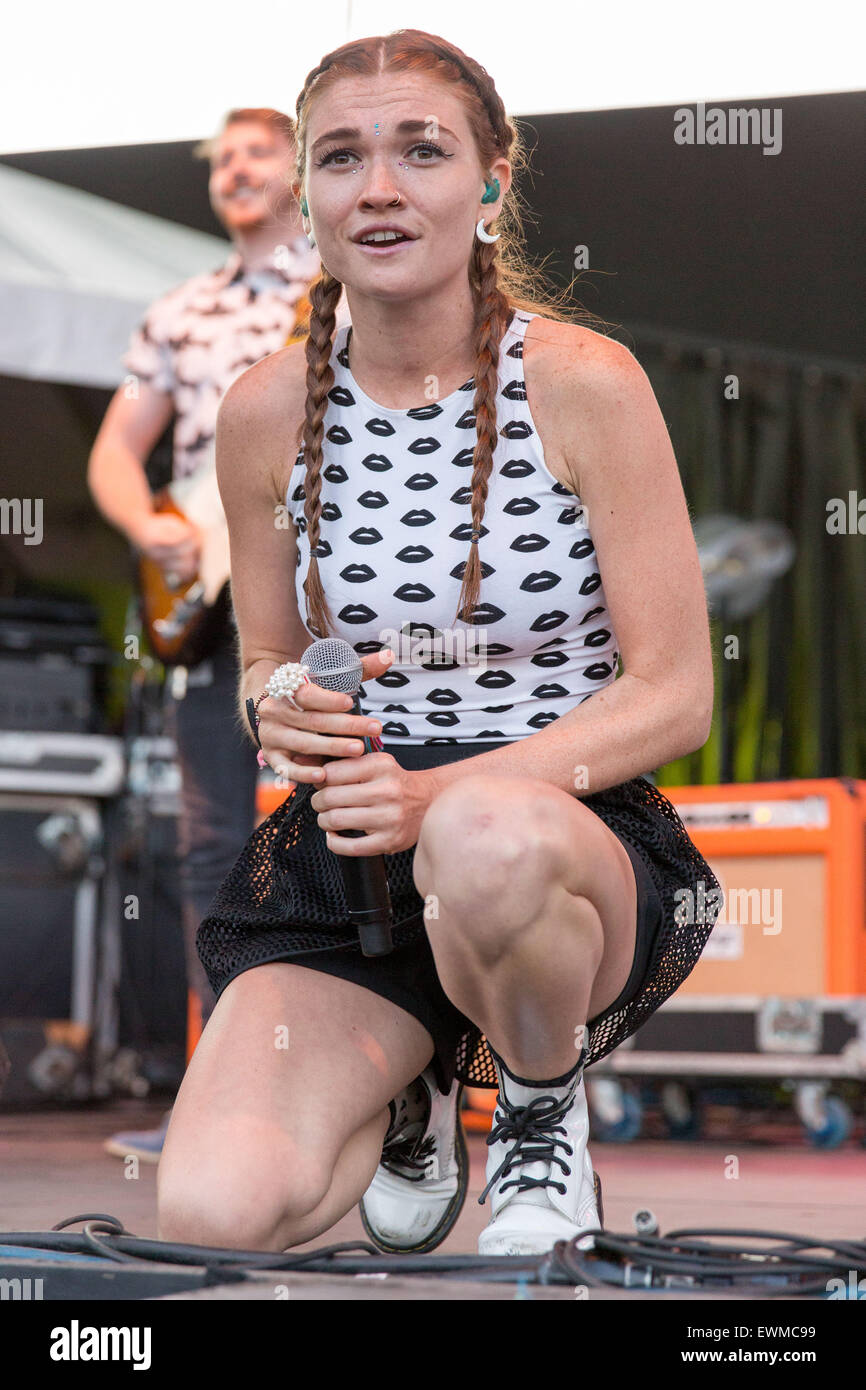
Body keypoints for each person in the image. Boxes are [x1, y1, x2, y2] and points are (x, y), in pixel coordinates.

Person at [156, 29, 722, 1258]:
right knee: (213, 1213)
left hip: (551, 842)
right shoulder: (262, 412)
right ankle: (407, 1085)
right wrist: (273, 709)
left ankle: (533, 1101)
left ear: (491, 185)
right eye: (341, 156)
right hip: (353, 857)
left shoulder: (586, 383)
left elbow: (675, 697)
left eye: (421, 149)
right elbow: (260, 662)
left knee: (481, 832)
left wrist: (437, 794)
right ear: (307, 192)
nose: (379, 187)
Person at [88, 107, 348, 1162]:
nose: (237, 171)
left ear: (293, 174)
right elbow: (117, 450)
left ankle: (341, 1079)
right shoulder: (180, 309)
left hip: (324, 580)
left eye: (256, 154)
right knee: (209, 841)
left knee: (337, 818)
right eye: (222, 159)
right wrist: (150, 522)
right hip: (212, 597)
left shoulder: (338, 279)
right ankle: (221, 1090)